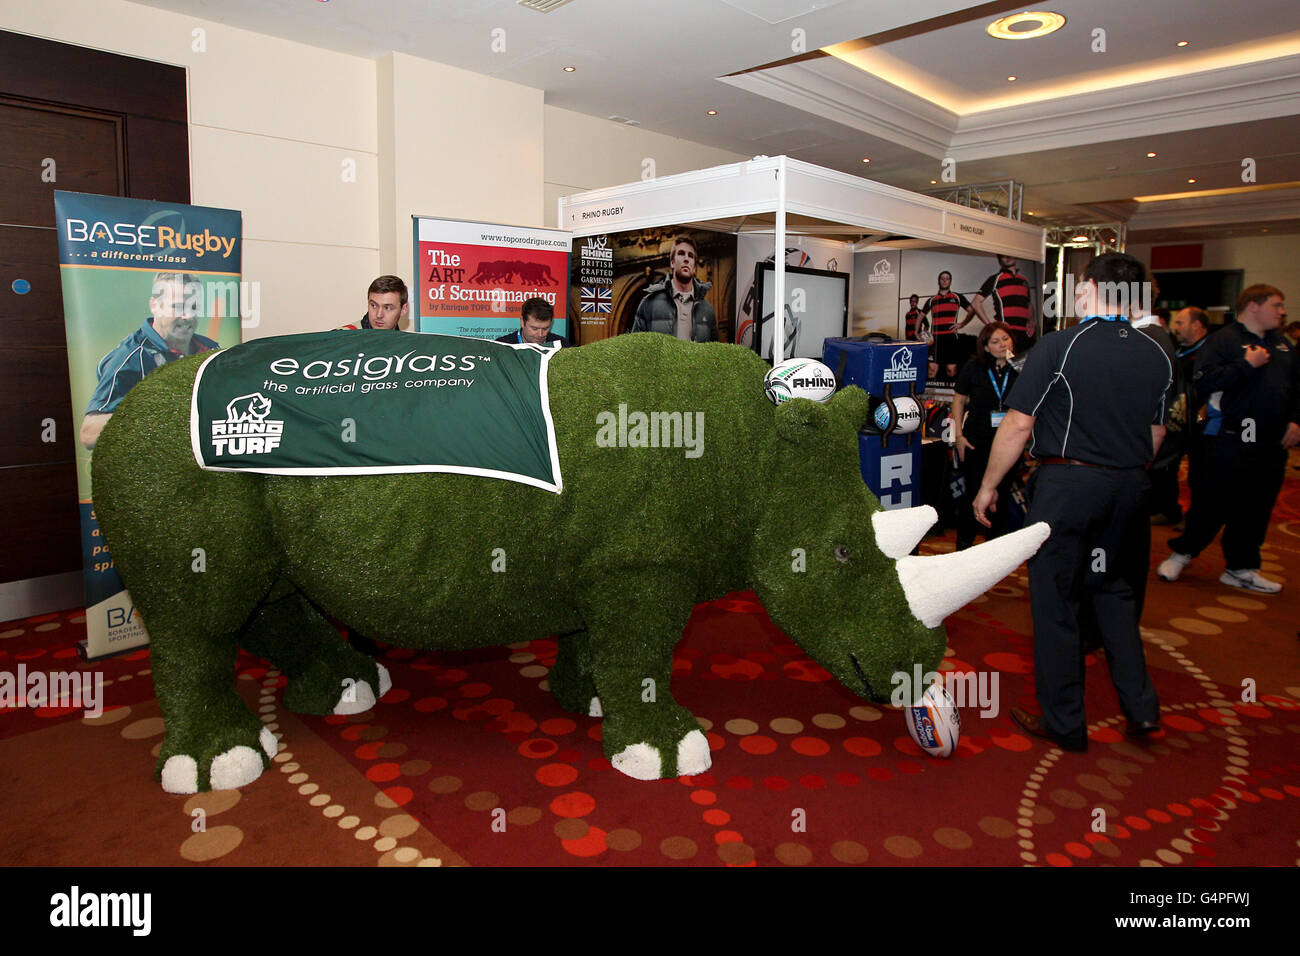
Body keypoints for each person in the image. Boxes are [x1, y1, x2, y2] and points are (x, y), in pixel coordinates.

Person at [973, 252, 1171, 752]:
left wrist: (989, 485)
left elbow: (1019, 424)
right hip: (1128, 488)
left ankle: (1065, 723)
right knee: (1114, 595)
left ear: (1088, 289)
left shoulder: (1061, 347)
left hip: (1069, 488)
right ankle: (1142, 710)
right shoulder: (1157, 354)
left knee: (1056, 601)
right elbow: (1157, 431)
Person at [1157, 285, 1299, 593]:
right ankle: (1183, 552)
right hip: (1228, 439)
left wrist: (1296, 420)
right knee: (1211, 503)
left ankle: (1240, 568)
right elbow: (1202, 381)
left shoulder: (1283, 344)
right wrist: (1245, 366)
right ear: (1253, 306)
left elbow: (1296, 387)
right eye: (1276, 305)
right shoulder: (1224, 341)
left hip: (1271, 443)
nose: (1282, 311)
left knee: (1256, 508)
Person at [80, 272, 218, 449]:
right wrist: (158, 412)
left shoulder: (211, 351)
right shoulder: (131, 357)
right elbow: (89, 434)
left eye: (194, 307)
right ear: (155, 306)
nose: (187, 317)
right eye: (178, 307)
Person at [950, 322, 1019, 550]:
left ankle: (994, 549)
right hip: (976, 441)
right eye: (995, 341)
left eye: (1005, 339)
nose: (1002, 344)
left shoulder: (1020, 368)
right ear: (986, 347)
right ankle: (963, 548)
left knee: (1002, 497)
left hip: (1009, 443)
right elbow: (958, 400)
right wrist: (958, 435)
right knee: (973, 494)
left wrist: (1016, 365)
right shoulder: (974, 367)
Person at [1147, 307, 1211, 525]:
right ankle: (1167, 509)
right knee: (1166, 467)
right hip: (1178, 419)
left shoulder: (1209, 351)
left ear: (1197, 325)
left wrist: (1202, 414)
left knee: (1200, 475)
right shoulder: (1178, 348)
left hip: (1202, 423)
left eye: (1181, 323)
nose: (1176, 328)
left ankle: (1197, 519)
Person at [630, 236, 717, 342]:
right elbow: (635, 348)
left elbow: (714, 354)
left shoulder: (707, 309)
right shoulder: (649, 303)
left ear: (694, 267)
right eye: (681, 253)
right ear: (672, 262)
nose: (686, 259)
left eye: (690, 256)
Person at [967, 254, 1035, 352]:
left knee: (1025, 365)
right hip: (1007, 333)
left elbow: (1029, 304)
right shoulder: (995, 279)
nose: (1007, 257)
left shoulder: (1024, 280)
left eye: (1009, 254)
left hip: (1024, 334)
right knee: (1009, 364)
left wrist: (1031, 322)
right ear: (999, 260)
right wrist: (990, 325)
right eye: (1003, 256)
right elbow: (976, 302)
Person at [919, 271, 972, 380]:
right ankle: (931, 396)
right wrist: (916, 332)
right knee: (931, 370)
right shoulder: (932, 300)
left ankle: (952, 396)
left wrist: (962, 324)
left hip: (951, 338)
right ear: (938, 281)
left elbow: (972, 311)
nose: (944, 280)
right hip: (935, 340)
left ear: (950, 281)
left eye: (947, 278)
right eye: (942, 278)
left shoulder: (957, 297)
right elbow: (920, 316)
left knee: (951, 370)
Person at [339, 275, 408, 330]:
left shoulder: (407, 344)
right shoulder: (344, 338)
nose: (379, 315)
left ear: (403, 309)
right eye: (374, 305)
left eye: (387, 308)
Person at [496, 297, 568, 347]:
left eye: (545, 329)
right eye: (534, 329)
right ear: (522, 322)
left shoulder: (561, 345)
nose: (540, 334)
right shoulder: (502, 346)